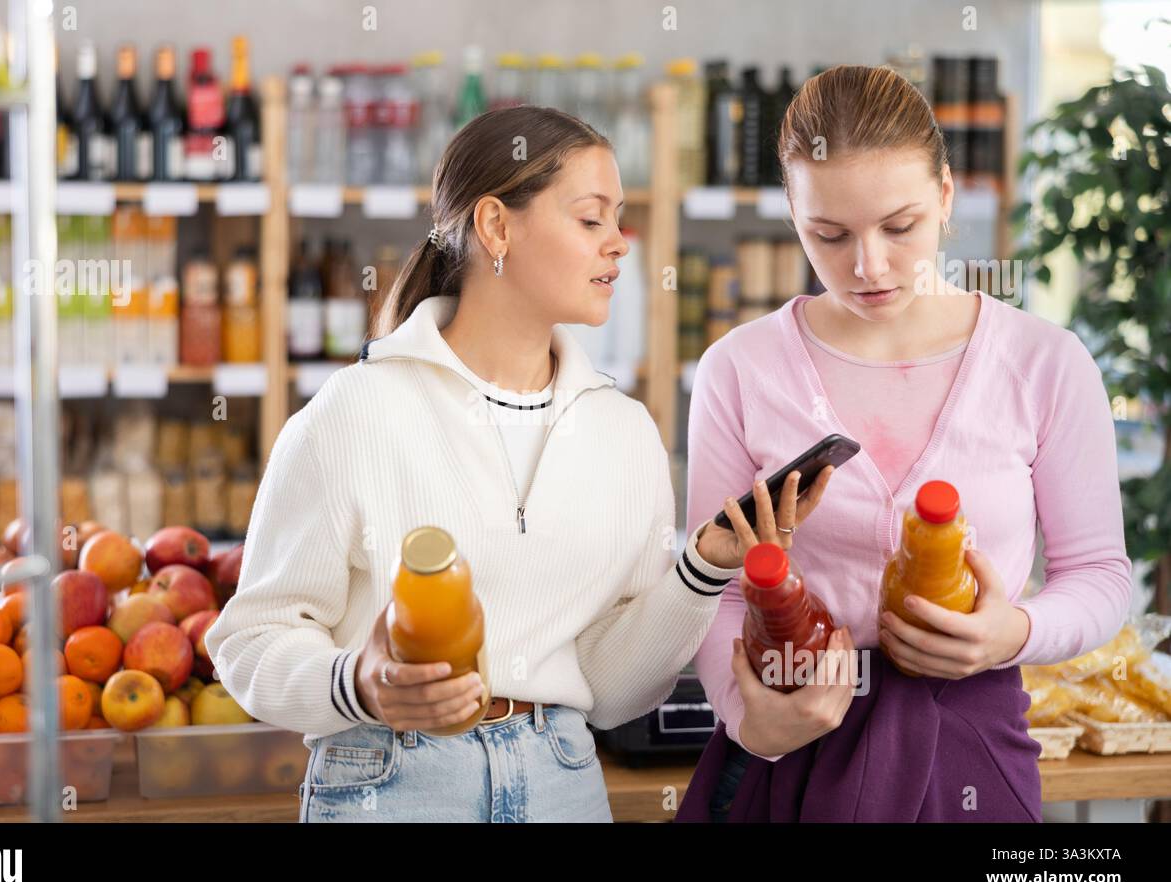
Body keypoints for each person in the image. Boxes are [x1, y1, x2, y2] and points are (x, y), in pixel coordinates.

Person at [204, 105, 832, 822]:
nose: (619, 246)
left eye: (619, 220)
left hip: (562, 774)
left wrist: (705, 565)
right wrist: (360, 682)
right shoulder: (355, 411)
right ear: (496, 227)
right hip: (391, 779)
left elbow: (611, 688)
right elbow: (249, 641)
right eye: (591, 220)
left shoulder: (624, 433)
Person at [678, 64, 1131, 823]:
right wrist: (746, 715)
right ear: (793, 213)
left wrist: (1011, 633)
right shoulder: (739, 369)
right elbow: (714, 586)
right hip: (787, 740)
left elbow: (1100, 576)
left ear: (947, 196)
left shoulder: (1044, 363)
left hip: (971, 745)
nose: (869, 267)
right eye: (829, 234)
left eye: (900, 226)